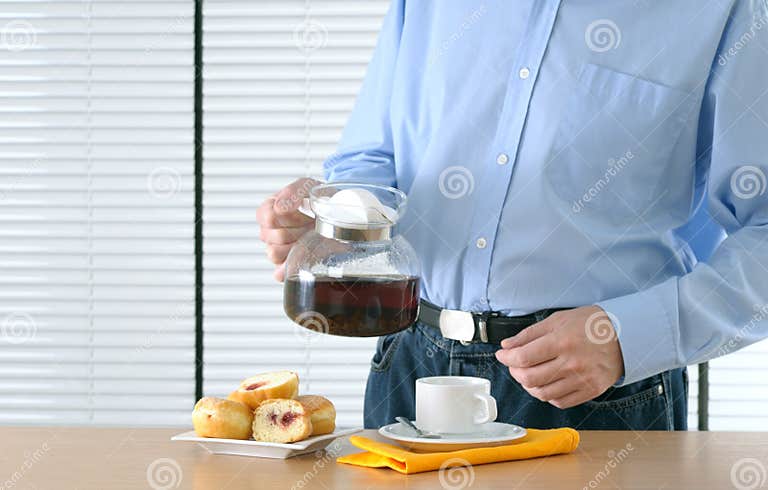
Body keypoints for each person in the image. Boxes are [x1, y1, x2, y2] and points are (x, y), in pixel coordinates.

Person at [257, 0, 768, 431]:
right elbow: (371, 158)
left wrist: (632, 335)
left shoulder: (723, 9)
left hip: (600, 392)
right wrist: (340, 217)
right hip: (410, 366)